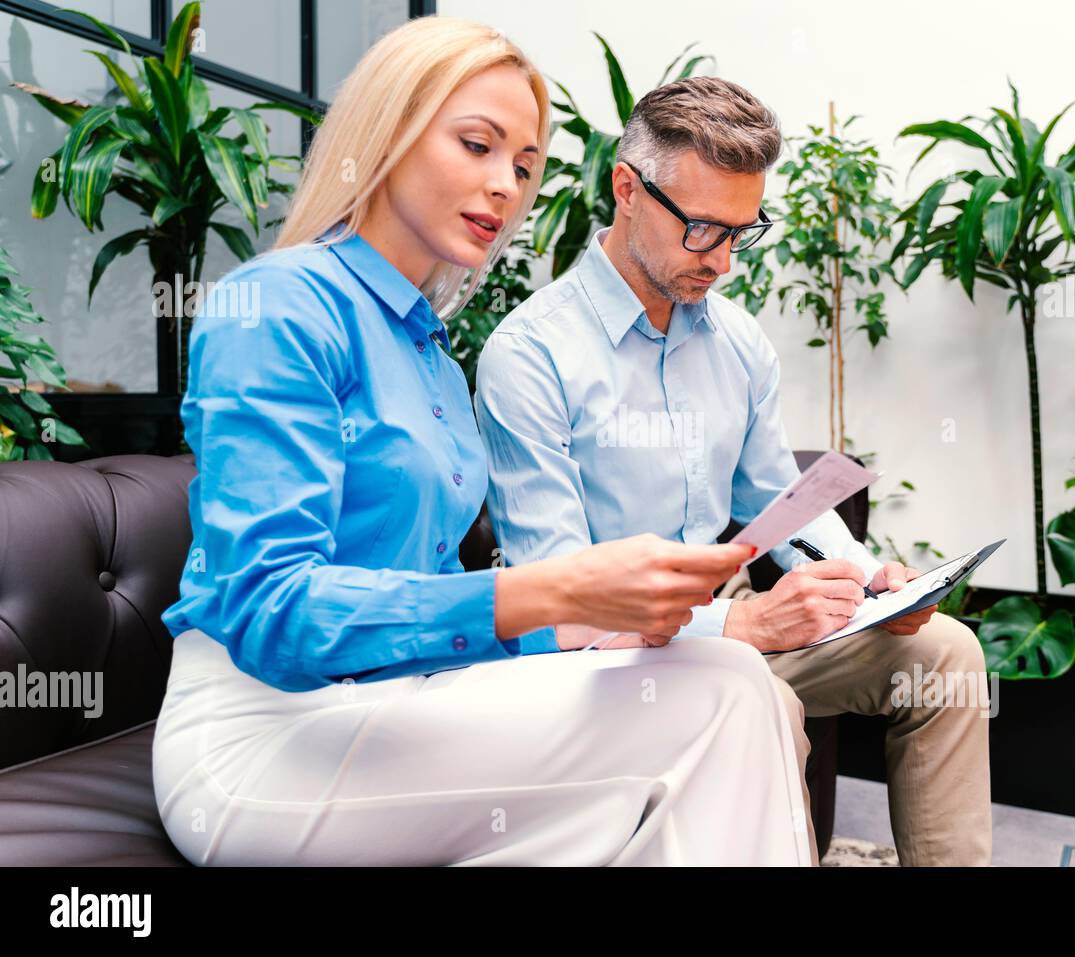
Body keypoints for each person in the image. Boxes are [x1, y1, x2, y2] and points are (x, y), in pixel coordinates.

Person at [151, 17, 815, 867]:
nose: (506, 185)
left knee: (711, 680)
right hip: (265, 733)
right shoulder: (280, 307)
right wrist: (549, 590)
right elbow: (272, 611)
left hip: (402, 698)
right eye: (477, 144)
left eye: (526, 165)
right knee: (718, 698)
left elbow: (430, 603)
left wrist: (594, 619)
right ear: (385, 132)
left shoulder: (428, 346)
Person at [474, 76, 994, 866]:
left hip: (724, 621)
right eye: (703, 230)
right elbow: (562, 592)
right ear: (626, 189)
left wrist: (865, 578)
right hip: (607, 661)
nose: (721, 260)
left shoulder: (738, 344)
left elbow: (777, 505)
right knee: (767, 708)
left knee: (949, 656)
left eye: (740, 233)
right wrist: (739, 626)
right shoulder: (530, 356)